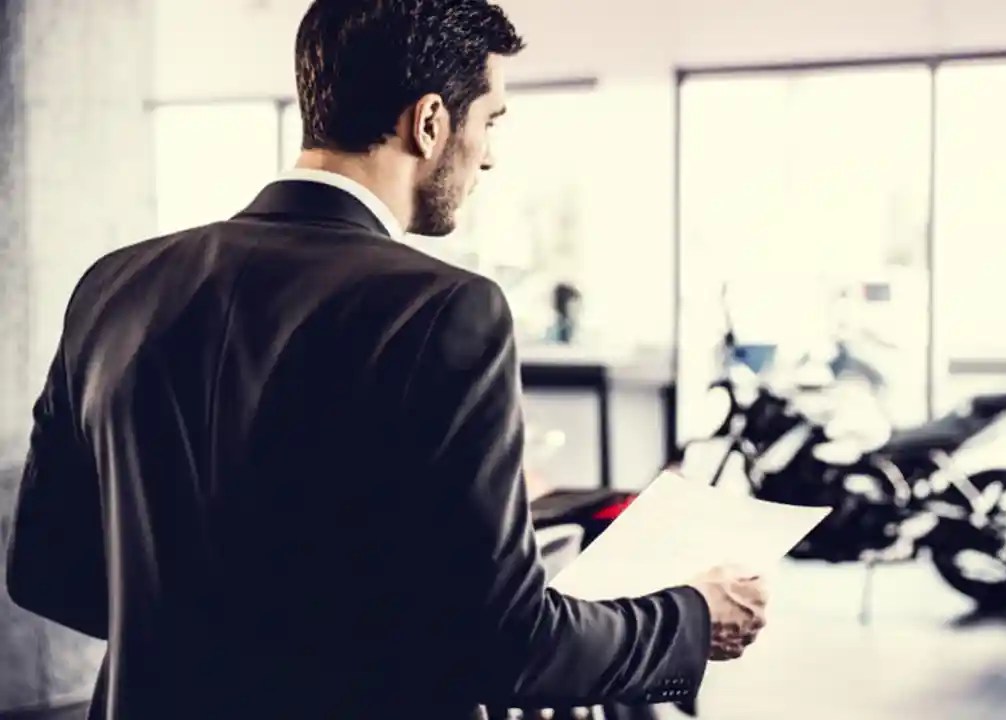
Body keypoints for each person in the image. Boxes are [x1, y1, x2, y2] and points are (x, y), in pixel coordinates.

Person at [4, 1, 767, 718]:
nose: (490, 157)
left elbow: (46, 572)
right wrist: (691, 618)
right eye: (490, 121)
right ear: (430, 121)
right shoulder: (444, 308)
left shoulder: (116, 283)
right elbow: (506, 642)